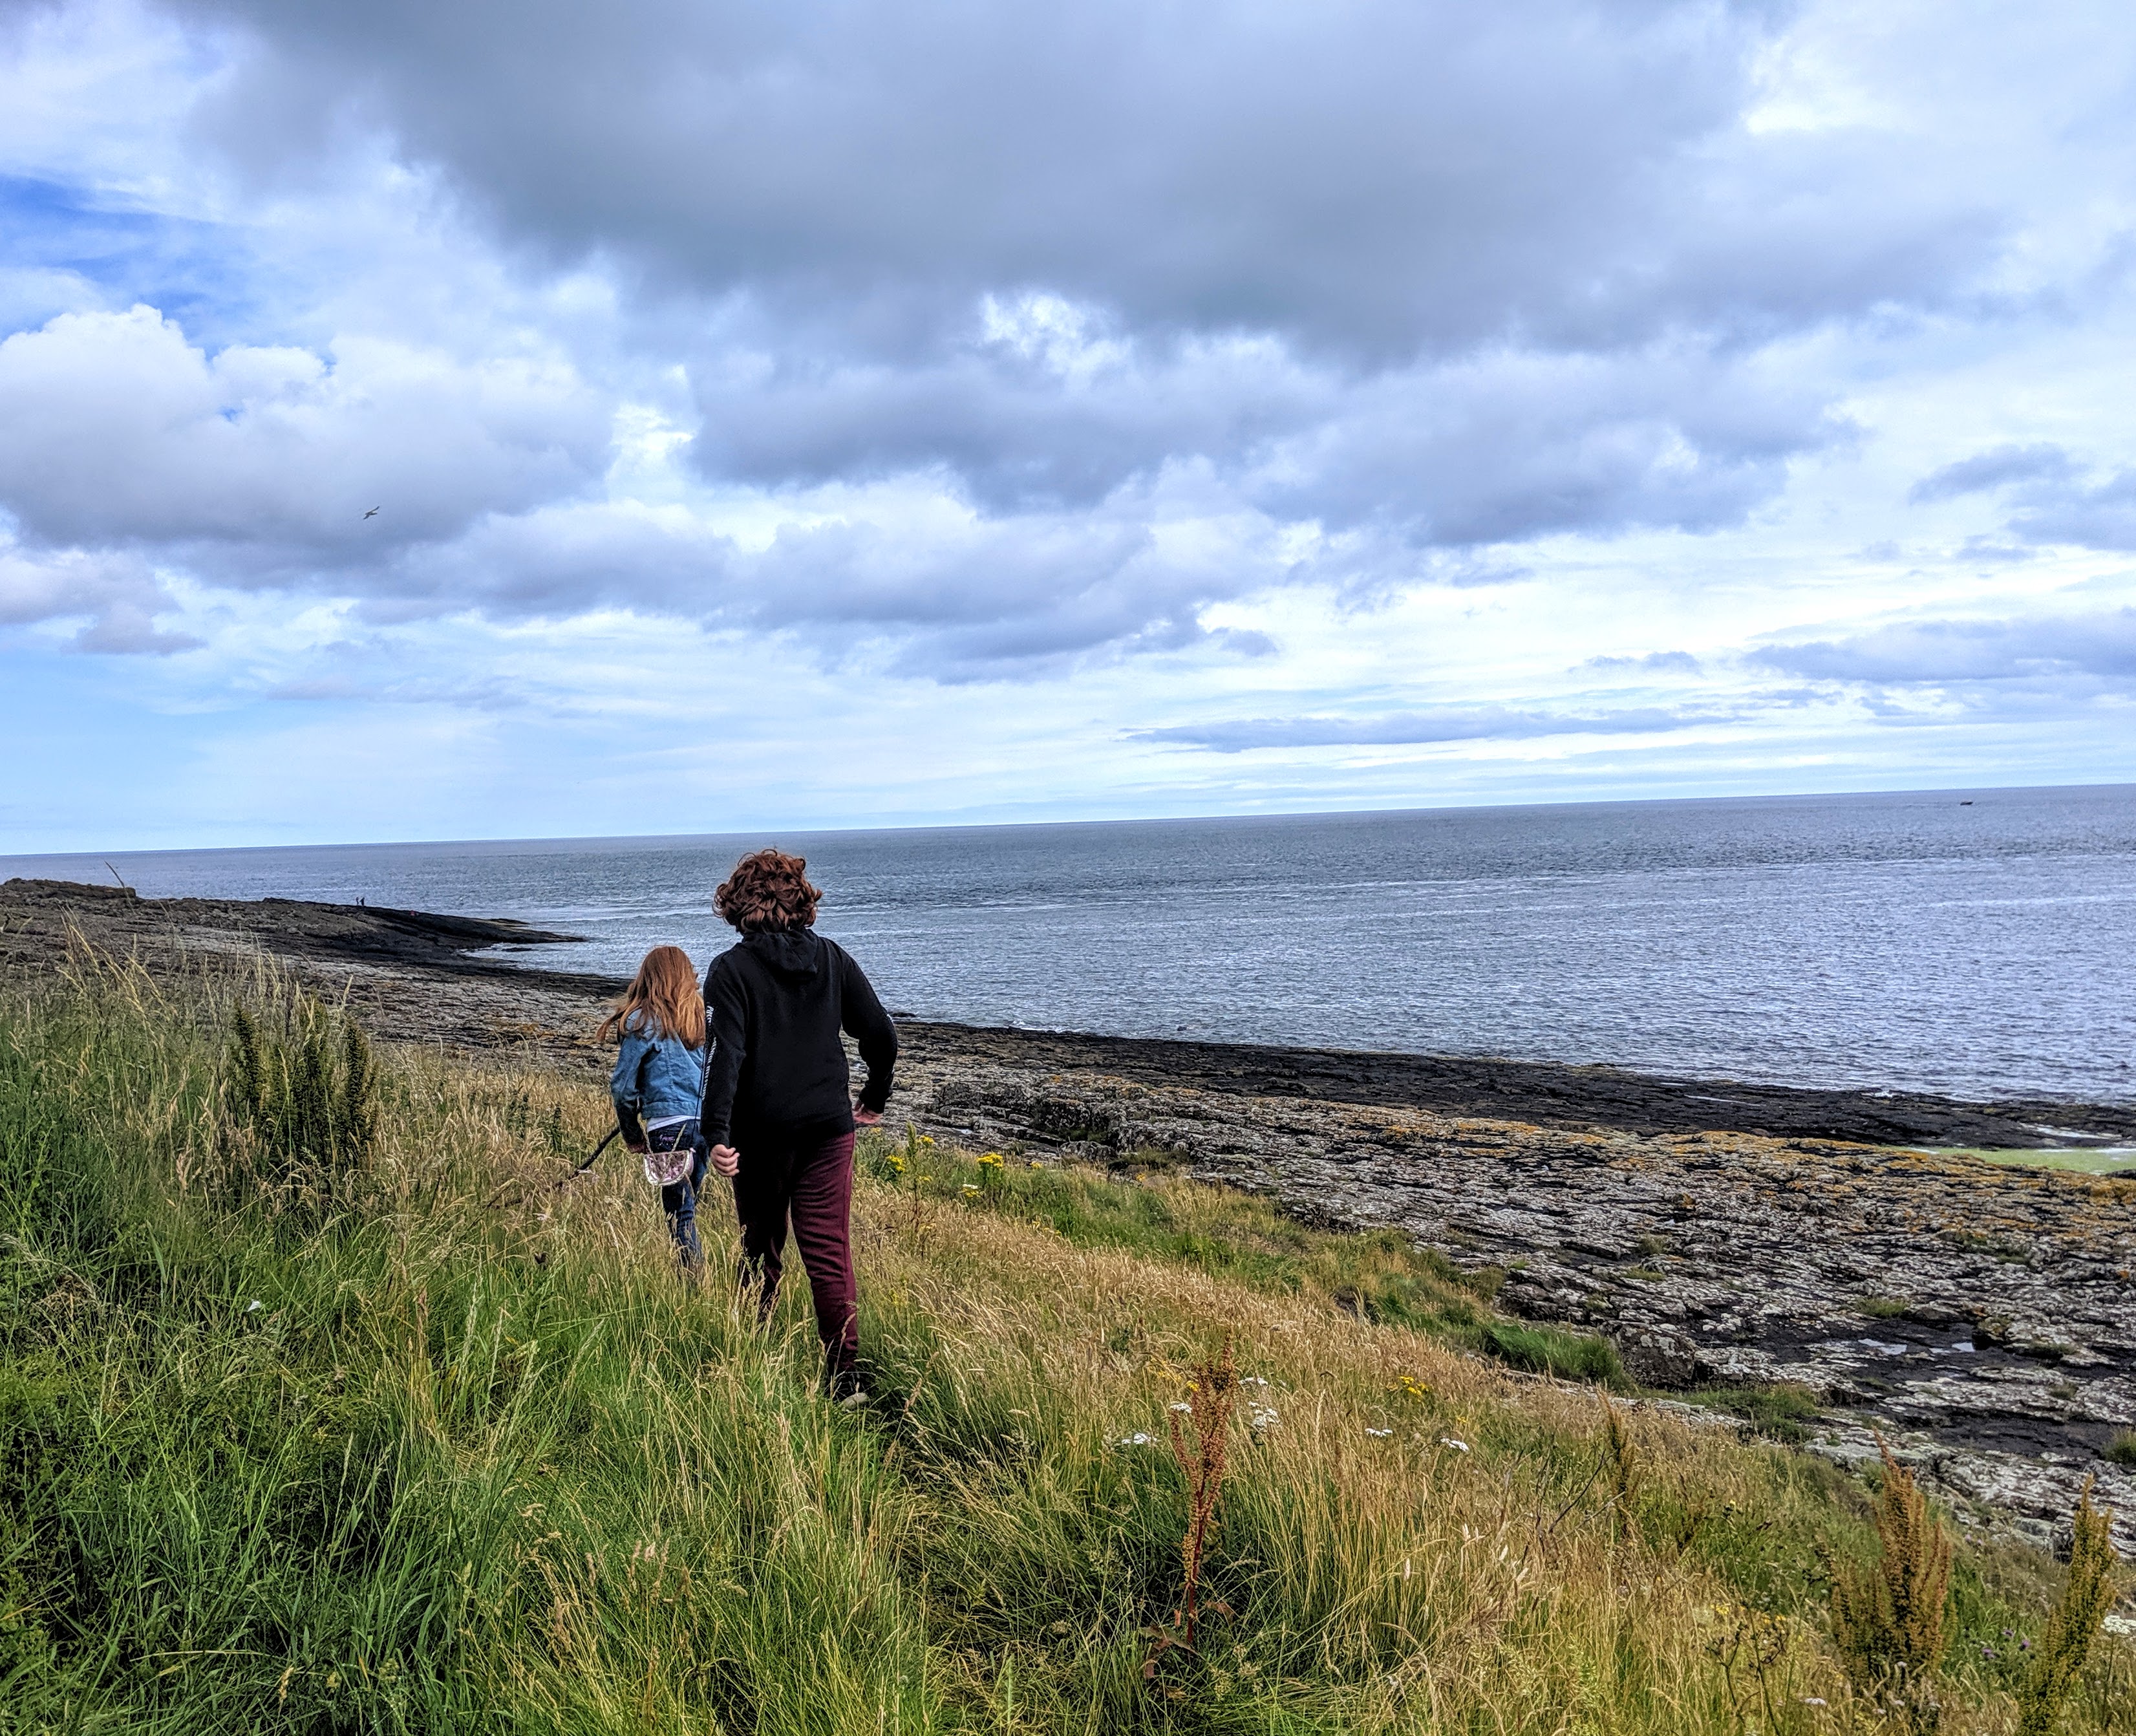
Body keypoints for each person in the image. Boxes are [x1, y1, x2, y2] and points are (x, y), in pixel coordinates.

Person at [698, 849, 897, 1397]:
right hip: (830, 1130)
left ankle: (750, 1355)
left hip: (760, 1137)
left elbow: (724, 1056)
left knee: (760, 1246)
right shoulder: (832, 959)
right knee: (829, 1253)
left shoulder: (729, 971)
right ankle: (845, 1378)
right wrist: (874, 1096)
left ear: (739, 905)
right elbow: (881, 1034)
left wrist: (715, 1133)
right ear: (801, 899)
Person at [599, 944, 710, 1267]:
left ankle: (692, 1284)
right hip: (705, 1125)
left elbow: (622, 1088)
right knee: (689, 1206)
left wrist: (632, 1133)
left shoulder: (640, 1021)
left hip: (668, 1128)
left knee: (679, 1214)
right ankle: (696, 1280)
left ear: (648, 978)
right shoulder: (701, 1018)